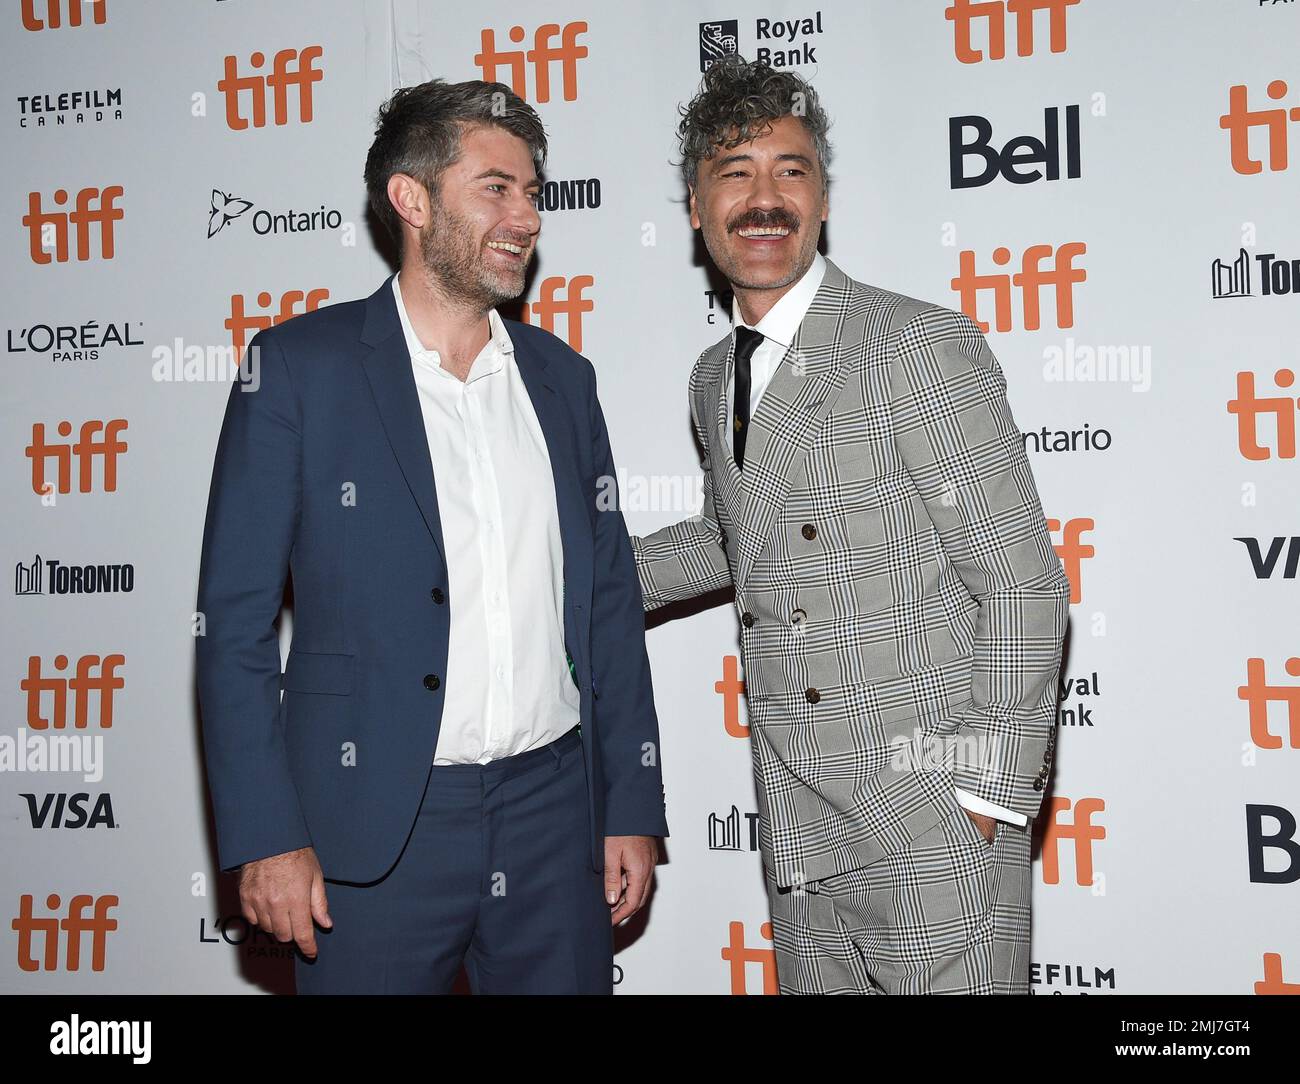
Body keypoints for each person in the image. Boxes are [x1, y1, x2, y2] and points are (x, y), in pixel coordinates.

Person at [196, 78, 667, 994]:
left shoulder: (563, 382)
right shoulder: (298, 369)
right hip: (372, 831)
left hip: (552, 821)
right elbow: (235, 626)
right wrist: (264, 834)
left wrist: (631, 805)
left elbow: (608, 601)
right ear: (411, 200)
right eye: (496, 187)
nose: (525, 215)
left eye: (533, 191)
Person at [632, 57, 1070, 994]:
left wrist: (986, 800)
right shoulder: (715, 377)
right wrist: (559, 570)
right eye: (734, 173)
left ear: (824, 199)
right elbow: (735, 538)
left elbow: (1023, 582)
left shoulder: (915, 344)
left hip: (931, 822)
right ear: (699, 212)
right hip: (798, 825)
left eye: (790, 170)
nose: (764, 198)